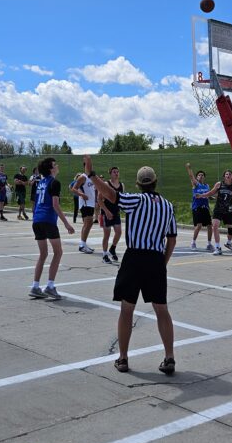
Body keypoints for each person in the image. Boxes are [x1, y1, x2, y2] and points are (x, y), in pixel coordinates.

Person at [84, 155, 178, 376]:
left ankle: (123, 357)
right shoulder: (167, 206)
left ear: (138, 184)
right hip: (155, 258)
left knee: (127, 309)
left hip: (134, 257)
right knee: (162, 309)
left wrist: (91, 175)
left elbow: (110, 194)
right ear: (155, 182)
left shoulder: (136, 200)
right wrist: (162, 263)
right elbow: (172, 238)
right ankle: (169, 356)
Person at [30, 157, 76, 300]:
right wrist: (67, 224)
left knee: (43, 254)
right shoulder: (54, 182)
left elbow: (36, 202)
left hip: (37, 220)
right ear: (51, 169)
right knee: (58, 252)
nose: (57, 165)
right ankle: (50, 286)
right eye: (55, 164)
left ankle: (35, 286)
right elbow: (55, 205)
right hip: (48, 220)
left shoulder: (40, 183)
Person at [201, 170, 232, 255]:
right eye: (226, 174)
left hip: (228, 210)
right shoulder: (219, 184)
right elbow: (211, 192)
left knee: (231, 228)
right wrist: (202, 195)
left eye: (230, 174)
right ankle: (218, 247)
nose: (228, 175)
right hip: (218, 209)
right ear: (224, 176)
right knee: (215, 226)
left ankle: (229, 243)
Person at [185, 163, 215, 251]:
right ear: (197, 177)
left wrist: (212, 197)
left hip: (205, 208)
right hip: (197, 207)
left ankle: (209, 244)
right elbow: (191, 176)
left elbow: (208, 195)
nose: (201, 176)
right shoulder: (196, 184)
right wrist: (189, 168)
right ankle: (193, 243)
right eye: (199, 175)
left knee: (210, 226)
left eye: (202, 175)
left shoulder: (207, 186)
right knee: (199, 226)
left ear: (204, 177)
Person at [100, 166, 124, 263]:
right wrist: (106, 211)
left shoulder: (122, 185)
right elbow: (99, 200)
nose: (116, 173)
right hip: (107, 212)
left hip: (116, 212)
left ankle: (112, 248)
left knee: (118, 232)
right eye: (114, 172)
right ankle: (105, 254)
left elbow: (122, 198)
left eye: (117, 172)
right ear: (110, 173)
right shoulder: (106, 184)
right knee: (107, 234)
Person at [71, 170, 97, 253]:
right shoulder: (82, 177)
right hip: (85, 203)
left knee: (87, 224)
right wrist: (82, 195)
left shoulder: (91, 177)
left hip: (91, 203)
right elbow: (73, 189)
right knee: (89, 223)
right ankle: (82, 244)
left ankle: (83, 244)